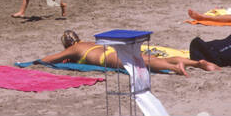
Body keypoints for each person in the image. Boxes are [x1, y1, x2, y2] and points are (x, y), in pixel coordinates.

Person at [37, 30, 219, 76]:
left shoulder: (74, 49)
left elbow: (48, 59)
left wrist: (37, 61)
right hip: (112, 51)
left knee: (144, 63)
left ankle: (177, 68)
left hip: (106, 58)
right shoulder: (87, 42)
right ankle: (196, 63)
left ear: (67, 44)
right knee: (148, 59)